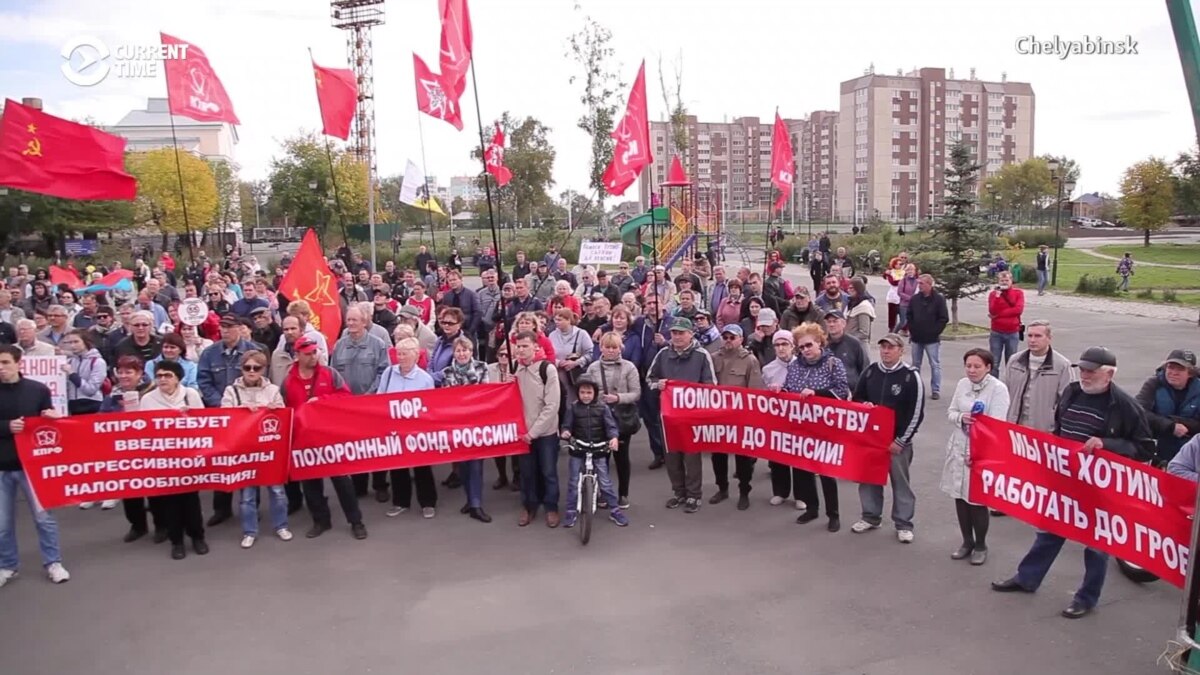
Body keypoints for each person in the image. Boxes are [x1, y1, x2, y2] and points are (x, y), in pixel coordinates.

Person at [992, 346, 1155, 619]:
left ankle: (1086, 598)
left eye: (1092, 371)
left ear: (1110, 374)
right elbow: (1059, 427)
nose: (1085, 375)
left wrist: (1107, 444)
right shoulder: (1072, 391)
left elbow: (1145, 448)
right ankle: (1027, 578)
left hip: (1101, 488)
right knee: (1049, 531)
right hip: (1066, 479)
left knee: (1096, 545)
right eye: (1083, 370)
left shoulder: (1125, 406)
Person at [282, 336, 367, 540]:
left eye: (315, 352)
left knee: (343, 483)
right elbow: (284, 409)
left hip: (329, 437)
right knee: (310, 485)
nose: (313, 356)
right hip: (304, 440)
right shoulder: (288, 381)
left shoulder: (329, 374)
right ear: (297, 356)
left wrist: (322, 400)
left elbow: (346, 397)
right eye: (308, 353)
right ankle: (321, 520)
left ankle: (356, 521)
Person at [0, 344, 70, 586]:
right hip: (2, 467)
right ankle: (7, 565)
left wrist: (52, 417)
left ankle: (53, 562)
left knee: (43, 519)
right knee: (2, 524)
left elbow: (46, 422)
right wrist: (6, 427)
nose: (1, 368)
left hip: (31, 467)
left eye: (5, 362)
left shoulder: (37, 390)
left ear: (19, 363)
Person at [851, 333, 925, 542]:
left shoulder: (911, 377)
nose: (886, 351)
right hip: (872, 441)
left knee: (900, 483)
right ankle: (871, 516)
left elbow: (916, 412)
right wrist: (862, 405)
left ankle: (903, 524)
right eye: (883, 347)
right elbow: (857, 398)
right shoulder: (871, 371)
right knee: (869, 479)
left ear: (901, 350)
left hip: (897, 442)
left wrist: (901, 440)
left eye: (891, 348)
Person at [942, 349, 1010, 566]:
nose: (972, 370)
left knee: (977, 500)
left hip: (981, 452)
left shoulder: (998, 389)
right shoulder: (962, 384)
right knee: (959, 496)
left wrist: (979, 453)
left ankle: (981, 544)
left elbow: (997, 426)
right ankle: (966, 541)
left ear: (988, 367)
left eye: (977, 366)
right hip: (959, 447)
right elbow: (951, 412)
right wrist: (962, 417)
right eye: (968, 366)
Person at [139, 360, 209, 560]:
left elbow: (206, 424)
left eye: (167, 375)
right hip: (163, 459)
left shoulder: (190, 395)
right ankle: (176, 541)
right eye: (159, 375)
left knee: (191, 501)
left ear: (178, 378)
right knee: (169, 502)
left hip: (188, 458)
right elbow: (143, 429)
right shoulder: (148, 400)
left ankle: (197, 537)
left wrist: (191, 417)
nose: (162, 379)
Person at [785, 322, 851, 532]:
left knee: (826, 471)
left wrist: (817, 394)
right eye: (801, 347)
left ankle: (833, 514)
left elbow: (842, 391)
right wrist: (780, 390)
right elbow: (790, 390)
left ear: (819, 342)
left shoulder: (833, 363)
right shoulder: (795, 366)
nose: (805, 350)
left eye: (809, 345)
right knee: (802, 469)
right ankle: (811, 508)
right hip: (801, 426)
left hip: (825, 427)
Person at [221, 350, 290, 549]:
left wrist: (272, 409)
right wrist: (242, 411)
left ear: (263, 369)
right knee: (247, 496)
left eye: (256, 368)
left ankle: (281, 525)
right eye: (247, 367)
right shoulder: (231, 391)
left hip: (269, 449)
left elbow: (282, 412)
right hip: (245, 451)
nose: (251, 371)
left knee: (277, 492)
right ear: (241, 368)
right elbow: (225, 414)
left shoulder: (273, 389)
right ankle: (250, 531)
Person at [647, 317, 716, 514]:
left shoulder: (701, 355)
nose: (676, 336)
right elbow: (650, 378)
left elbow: (711, 386)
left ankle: (694, 495)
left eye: (681, 333)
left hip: (691, 417)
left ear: (691, 334)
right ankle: (679, 492)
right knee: (672, 457)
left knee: (692, 457)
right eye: (674, 333)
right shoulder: (662, 354)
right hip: (668, 416)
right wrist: (657, 385)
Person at [197, 314, 258, 526]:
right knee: (222, 462)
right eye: (222, 327)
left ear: (239, 328)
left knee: (249, 462)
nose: (224, 331)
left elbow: (258, 381)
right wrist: (222, 403)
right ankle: (221, 509)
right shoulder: (209, 353)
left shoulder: (252, 351)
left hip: (247, 416)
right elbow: (204, 381)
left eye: (229, 327)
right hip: (221, 415)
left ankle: (251, 507)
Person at [331, 306, 390, 499]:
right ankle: (359, 485)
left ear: (364, 322)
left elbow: (383, 372)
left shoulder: (378, 344)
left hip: (371, 404)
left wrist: (369, 395)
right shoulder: (339, 345)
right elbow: (333, 374)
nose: (350, 324)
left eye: (354, 320)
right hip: (348, 407)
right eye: (348, 320)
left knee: (376, 446)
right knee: (355, 447)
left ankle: (380, 485)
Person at [379, 338, 441, 519]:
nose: (401, 357)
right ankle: (400, 501)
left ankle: (428, 503)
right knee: (397, 467)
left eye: (405, 353)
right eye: (398, 353)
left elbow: (430, 407)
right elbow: (380, 397)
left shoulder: (425, 379)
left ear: (415, 355)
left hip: (417, 431)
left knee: (422, 468)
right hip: (394, 430)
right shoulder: (389, 373)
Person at [560, 376, 629, 528]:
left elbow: (611, 426)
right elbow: (566, 425)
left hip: (598, 449)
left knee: (605, 482)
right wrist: (565, 432)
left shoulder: (603, 408)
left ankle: (615, 510)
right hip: (578, 448)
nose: (585, 395)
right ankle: (571, 510)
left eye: (589, 392)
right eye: (582, 392)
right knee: (573, 482)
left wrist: (614, 438)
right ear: (578, 393)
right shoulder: (573, 407)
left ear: (595, 393)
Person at [709, 324, 765, 510]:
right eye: (725, 337)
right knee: (718, 456)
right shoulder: (714, 358)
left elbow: (755, 391)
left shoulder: (749, 360)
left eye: (732, 337)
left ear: (741, 339)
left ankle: (744, 491)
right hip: (718, 417)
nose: (728, 341)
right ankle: (722, 488)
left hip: (740, 418)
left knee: (743, 459)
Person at [439, 336, 492, 523]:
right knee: (463, 465)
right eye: (458, 351)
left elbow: (483, 392)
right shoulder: (447, 371)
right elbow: (449, 396)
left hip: (477, 423)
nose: (462, 354)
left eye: (465, 350)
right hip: (457, 424)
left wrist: (465, 393)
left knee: (476, 464)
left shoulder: (481, 367)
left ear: (471, 352)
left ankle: (477, 504)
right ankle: (470, 500)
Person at [512, 331, 562, 527]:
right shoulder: (515, 368)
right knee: (527, 472)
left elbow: (552, 405)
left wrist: (533, 433)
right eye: (519, 346)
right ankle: (529, 505)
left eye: (525, 346)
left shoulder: (547, 369)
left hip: (545, 432)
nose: (521, 350)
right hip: (523, 432)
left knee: (548, 471)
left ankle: (551, 507)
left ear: (535, 346)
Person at [585, 332, 640, 509]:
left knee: (621, 458)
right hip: (599, 417)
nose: (610, 350)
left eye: (614, 347)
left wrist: (618, 398)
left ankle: (623, 493)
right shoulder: (593, 368)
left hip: (621, 418)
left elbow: (636, 393)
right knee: (601, 458)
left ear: (620, 348)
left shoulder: (629, 367)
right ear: (600, 348)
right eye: (607, 347)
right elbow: (586, 391)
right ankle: (603, 491)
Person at [1135, 349, 1200, 467]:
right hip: (1158, 445)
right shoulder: (1153, 384)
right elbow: (1139, 411)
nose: (1173, 372)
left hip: (1190, 451)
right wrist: (1170, 426)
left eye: (1180, 369)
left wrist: (1182, 424)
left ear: (1190, 373)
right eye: (1170, 367)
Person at [907, 274, 948, 400]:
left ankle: (935, 389)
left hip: (932, 339)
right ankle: (915, 388)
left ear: (930, 285)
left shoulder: (939, 299)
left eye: (922, 283)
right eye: (919, 283)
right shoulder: (914, 299)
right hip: (917, 338)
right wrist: (913, 329)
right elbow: (909, 315)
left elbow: (944, 318)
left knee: (935, 364)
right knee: (915, 364)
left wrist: (935, 332)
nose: (919, 286)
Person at [60, 330, 106, 417]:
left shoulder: (98, 362)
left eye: (76, 342)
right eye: (69, 342)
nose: (72, 346)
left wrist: (72, 374)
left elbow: (91, 390)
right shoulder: (70, 361)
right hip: (73, 405)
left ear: (86, 342)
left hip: (91, 405)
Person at [987, 271, 1024, 377]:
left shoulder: (1018, 293)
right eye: (1002, 281)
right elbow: (992, 310)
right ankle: (994, 386)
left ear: (1011, 281)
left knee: (1011, 361)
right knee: (994, 362)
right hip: (996, 332)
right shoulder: (993, 294)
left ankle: (1010, 386)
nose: (1004, 282)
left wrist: (999, 315)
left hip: (1012, 332)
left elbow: (1018, 310)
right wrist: (998, 297)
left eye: (1007, 280)